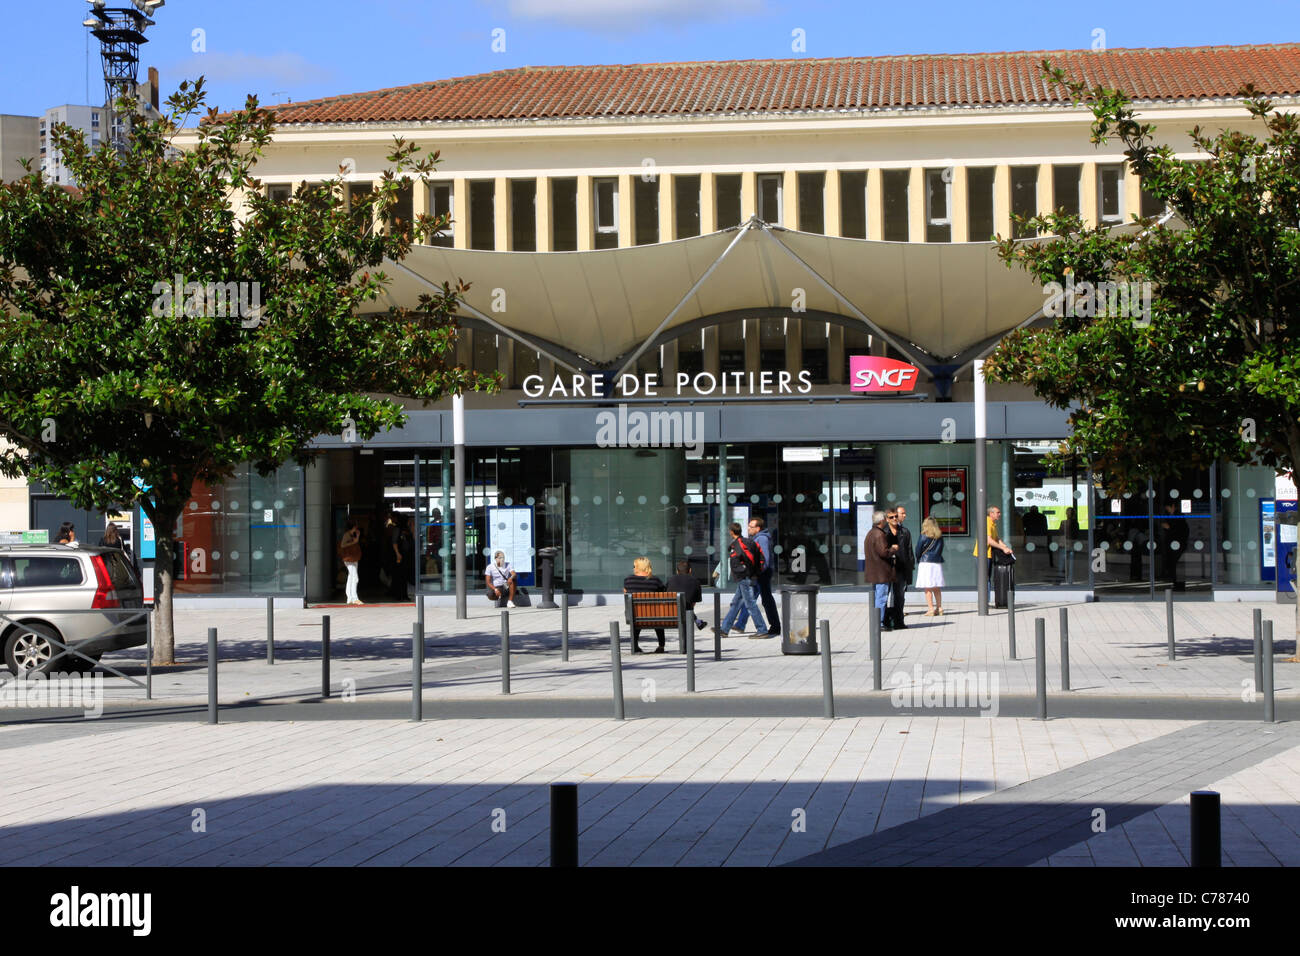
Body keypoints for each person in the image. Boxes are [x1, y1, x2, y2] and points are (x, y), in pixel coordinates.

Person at [719, 522, 768, 638]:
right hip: (751, 576)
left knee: (750, 604)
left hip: (745, 578)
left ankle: (762, 629)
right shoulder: (750, 541)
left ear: (731, 532)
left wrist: (742, 572)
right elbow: (761, 557)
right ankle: (724, 629)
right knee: (736, 603)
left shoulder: (737, 545)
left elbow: (737, 563)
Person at [623, 556, 667, 653]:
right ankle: (661, 645)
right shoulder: (656, 581)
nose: (633, 568)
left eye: (634, 566)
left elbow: (625, 593)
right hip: (655, 616)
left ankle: (635, 645)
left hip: (634, 616)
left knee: (637, 614)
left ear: (638, 567)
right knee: (656, 615)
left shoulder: (628, 580)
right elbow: (663, 594)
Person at [747, 516, 781, 636]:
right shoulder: (758, 538)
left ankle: (774, 626)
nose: (748, 528)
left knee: (763, 600)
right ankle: (774, 625)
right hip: (760, 573)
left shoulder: (762, 539)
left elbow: (765, 559)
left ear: (758, 528)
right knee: (760, 600)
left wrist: (758, 571)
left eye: (751, 526)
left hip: (762, 573)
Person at [864, 511, 897, 630]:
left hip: (875, 571)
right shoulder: (879, 534)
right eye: (886, 518)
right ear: (882, 520)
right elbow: (884, 552)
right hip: (881, 572)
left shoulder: (871, 533)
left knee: (877, 597)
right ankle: (879, 622)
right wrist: (893, 549)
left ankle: (876, 621)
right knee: (881, 598)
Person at [973, 505, 1014, 599]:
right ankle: (984, 602)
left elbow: (996, 539)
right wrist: (1003, 548)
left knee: (987, 578)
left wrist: (1005, 547)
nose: (1000, 514)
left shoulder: (992, 523)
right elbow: (989, 540)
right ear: (991, 513)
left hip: (988, 554)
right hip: (982, 555)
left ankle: (986, 601)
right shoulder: (987, 523)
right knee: (985, 578)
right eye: (998, 512)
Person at [885, 505, 914, 629]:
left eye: (896, 516)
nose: (895, 519)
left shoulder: (905, 532)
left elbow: (909, 552)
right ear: (887, 519)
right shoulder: (884, 532)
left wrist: (910, 569)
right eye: (892, 517)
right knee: (883, 596)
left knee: (900, 596)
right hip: (886, 569)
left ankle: (898, 621)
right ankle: (884, 621)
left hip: (901, 569)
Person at [914, 515, 946, 615]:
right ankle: (939, 608)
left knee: (927, 587)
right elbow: (940, 550)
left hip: (926, 563)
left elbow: (918, 549)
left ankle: (931, 609)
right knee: (936, 586)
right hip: (936, 563)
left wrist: (918, 558)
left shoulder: (923, 535)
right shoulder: (939, 536)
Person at [665, 559, 708, 631]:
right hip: (686, 613)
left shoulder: (670, 580)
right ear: (690, 570)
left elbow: (665, 595)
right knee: (687, 605)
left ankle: (697, 621)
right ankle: (697, 621)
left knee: (682, 604)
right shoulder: (695, 581)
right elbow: (695, 601)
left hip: (669, 613)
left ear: (677, 571)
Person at [1157, 501, 1189, 591]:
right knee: (1173, 564)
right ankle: (1176, 583)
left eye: (1168, 507)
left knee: (1175, 564)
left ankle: (1178, 584)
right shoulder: (1171, 516)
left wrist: (1168, 528)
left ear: (1173, 506)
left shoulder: (1178, 516)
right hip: (1173, 544)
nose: (1167, 509)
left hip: (1178, 544)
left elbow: (1180, 531)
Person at [338, 517, 363, 605]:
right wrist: (355, 541)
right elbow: (342, 545)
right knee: (355, 577)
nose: (357, 527)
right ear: (354, 526)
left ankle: (349, 598)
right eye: (356, 526)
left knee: (351, 576)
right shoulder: (346, 535)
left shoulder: (353, 534)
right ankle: (354, 597)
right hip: (348, 558)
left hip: (353, 557)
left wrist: (357, 537)